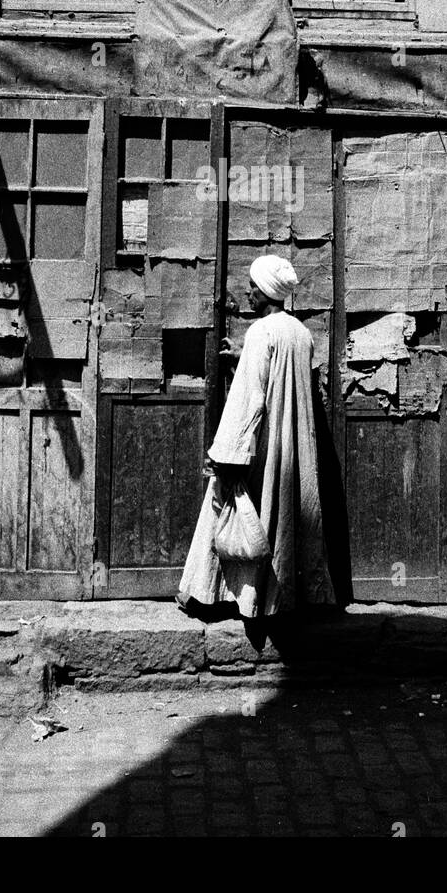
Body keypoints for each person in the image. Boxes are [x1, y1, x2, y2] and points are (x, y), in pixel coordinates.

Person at [176, 253, 336, 619]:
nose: (248, 293)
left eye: (252, 287)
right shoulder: (300, 333)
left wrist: (227, 454)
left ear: (266, 292)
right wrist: (243, 356)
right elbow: (283, 380)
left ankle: (231, 597)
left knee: (241, 518)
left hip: (263, 447)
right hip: (293, 446)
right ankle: (281, 598)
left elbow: (252, 400)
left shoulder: (260, 332)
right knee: (286, 521)